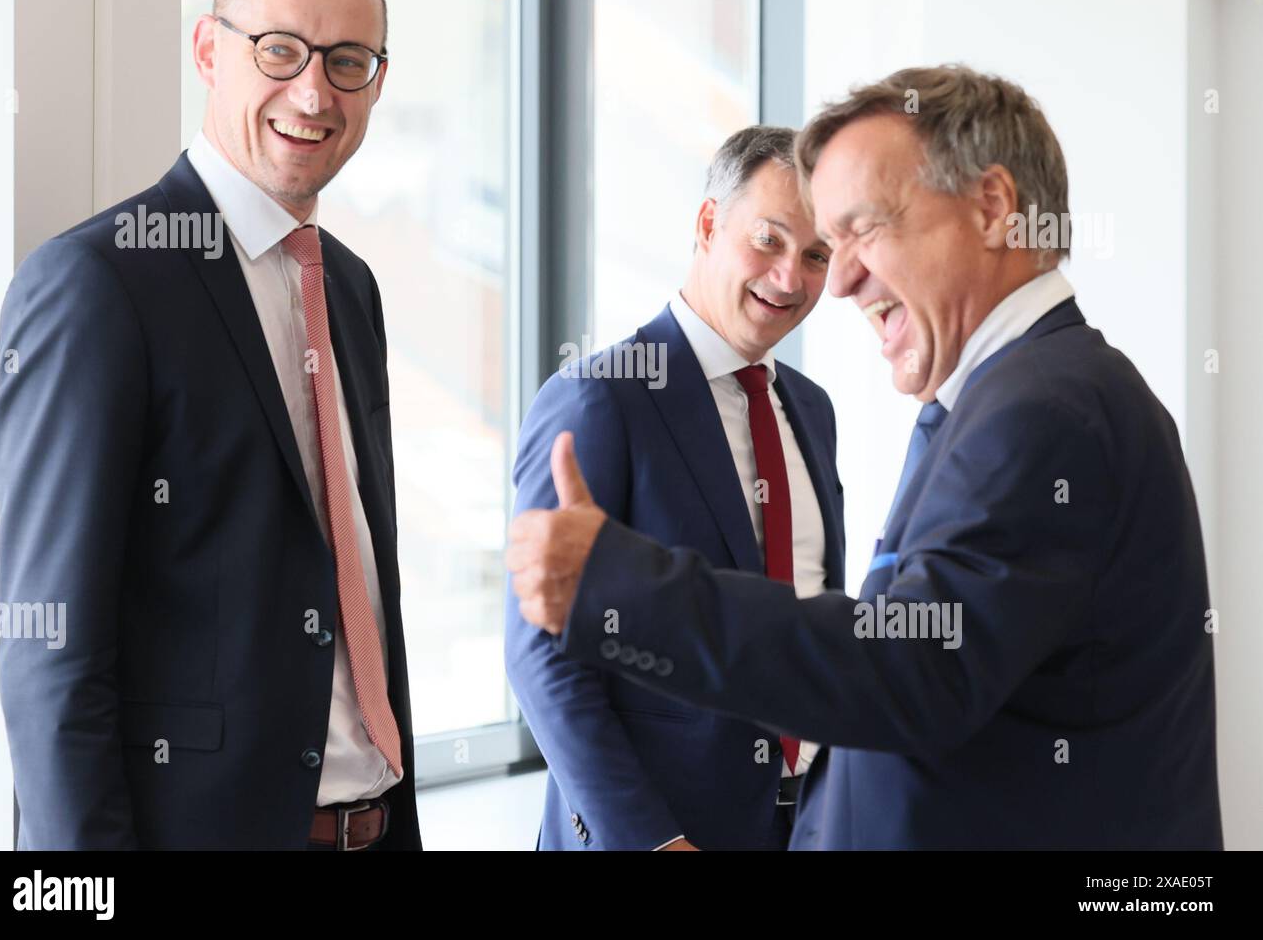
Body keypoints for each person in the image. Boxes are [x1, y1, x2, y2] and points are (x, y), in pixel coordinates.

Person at [508, 65, 1223, 850]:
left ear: (991, 208)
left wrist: (624, 585)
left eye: (858, 232)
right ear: (709, 224)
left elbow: (905, 664)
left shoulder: (1042, 410)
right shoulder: (1015, 396)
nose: (835, 281)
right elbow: (543, 658)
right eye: (795, 241)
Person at [0, 0, 420, 850]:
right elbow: (49, 655)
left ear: (377, 81)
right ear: (206, 50)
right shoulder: (98, 284)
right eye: (279, 50)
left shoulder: (350, 286)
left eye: (347, 61)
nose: (313, 92)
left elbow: (358, 584)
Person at [506, 126, 845, 850]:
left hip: (806, 824)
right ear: (708, 223)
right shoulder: (601, 396)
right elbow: (539, 656)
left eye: (817, 255)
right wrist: (651, 841)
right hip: (662, 833)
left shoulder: (812, 411)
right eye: (770, 239)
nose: (791, 277)